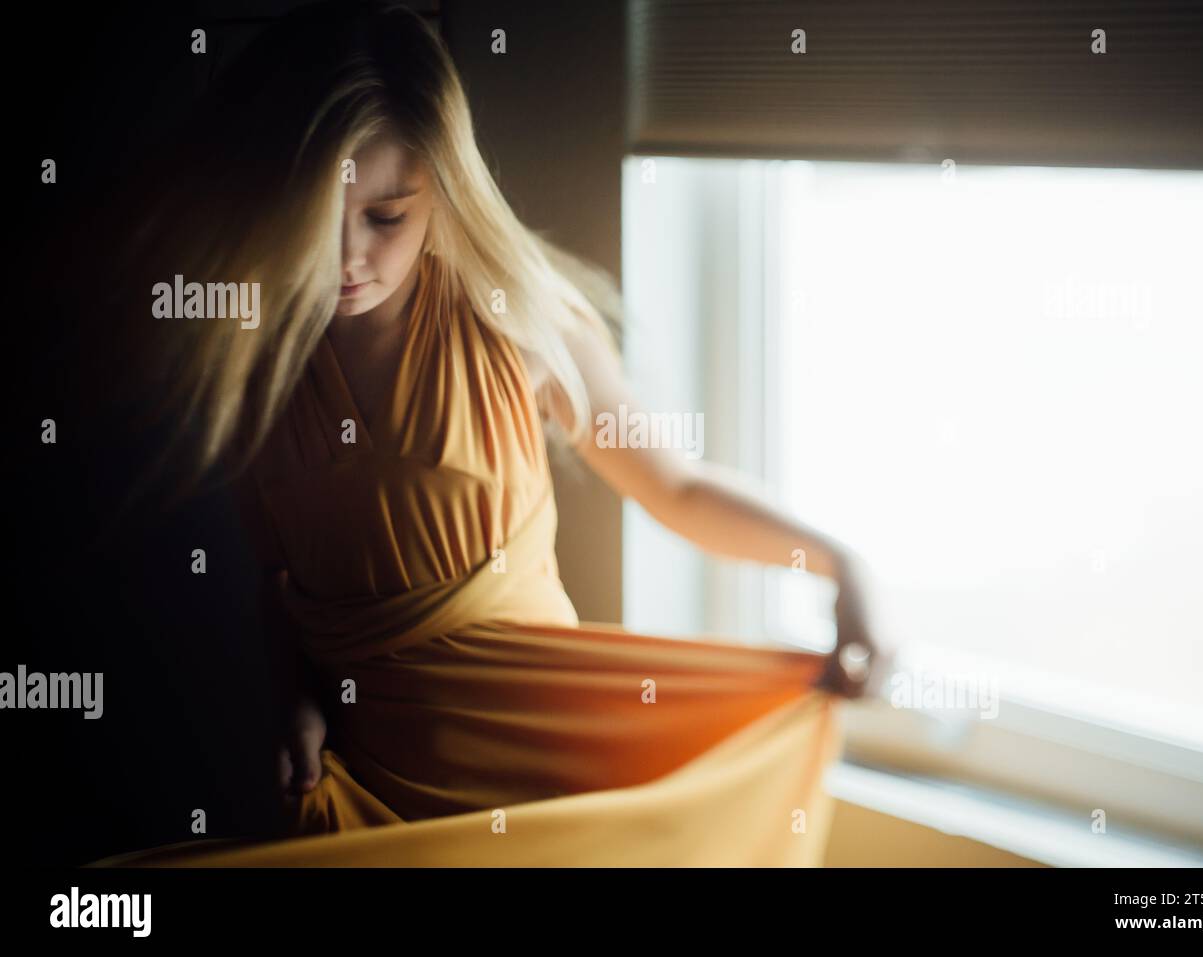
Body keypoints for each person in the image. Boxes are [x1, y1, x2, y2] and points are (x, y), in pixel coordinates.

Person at [86, 0, 893, 867]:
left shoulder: (517, 325)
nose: (344, 256)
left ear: (445, 186)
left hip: (552, 778)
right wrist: (295, 698)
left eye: (386, 216)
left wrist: (842, 564)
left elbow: (677, 487)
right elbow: (284, 583)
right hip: (381, 799)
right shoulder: (257, 362)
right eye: (312, 216)